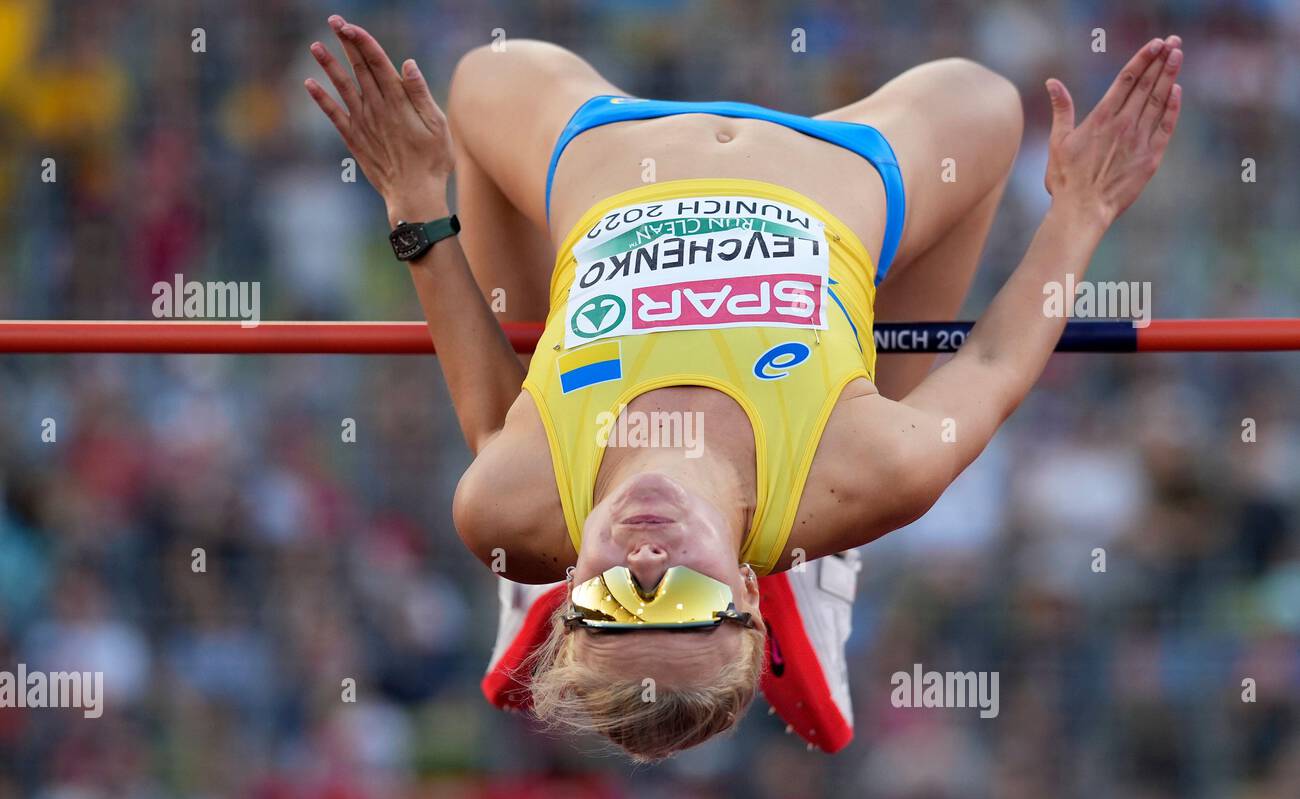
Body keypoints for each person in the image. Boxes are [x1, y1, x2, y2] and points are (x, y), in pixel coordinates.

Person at [304, 15, 1184, 760]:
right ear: (747, 597)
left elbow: (492, 410)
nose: (645, 565)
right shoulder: (868, 470)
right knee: (984, 97)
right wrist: (1080, 215)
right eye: (683, 599)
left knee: (487, 68)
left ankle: (529, 586)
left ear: (577, 592)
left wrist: (414, 200)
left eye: (610, 602)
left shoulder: (511, 499)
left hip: (602, 154)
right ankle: (826, 559)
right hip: (846, 174)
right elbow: (991, 364)